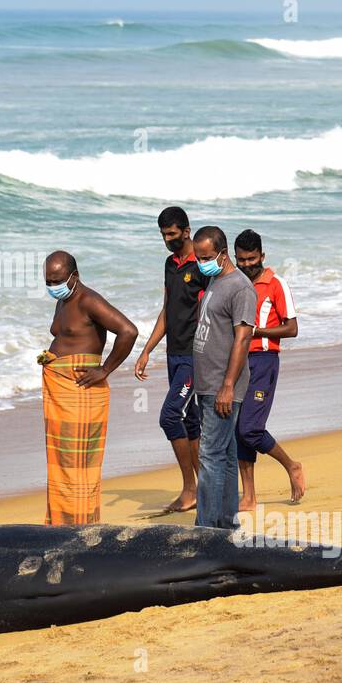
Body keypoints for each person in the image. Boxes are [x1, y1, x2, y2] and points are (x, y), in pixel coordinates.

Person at [39, 250, 137, 524]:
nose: (52, 286)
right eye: (48, 281)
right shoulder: (63, 300)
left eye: (57, 280)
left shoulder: (88, 300)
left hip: (80, 391)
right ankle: (61, 523)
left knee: (79, 465)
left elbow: (128, 331)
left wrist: (105, 369)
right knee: (62, 463)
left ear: (75, 276)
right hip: (62, 392)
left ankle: (80, 527)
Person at [134, 206, 206, 513]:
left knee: (169, 415)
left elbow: (214, 310)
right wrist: (147, 349)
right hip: (173, 354)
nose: (167, 240)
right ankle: (206, 486)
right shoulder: (170, 264)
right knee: (190, 422)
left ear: (186, 231)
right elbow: (167, 310)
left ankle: (191, 489)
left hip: (194, 356)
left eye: (172, 234)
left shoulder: (202, 266)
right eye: (163, 235)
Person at [233, 229, 307, 508]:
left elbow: (292, 328)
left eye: (252, 259)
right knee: (238, 428)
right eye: (242, 259)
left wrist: (256, 331)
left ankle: (291, 465)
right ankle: (249, 496)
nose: (247, 265)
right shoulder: (234, 283)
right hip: (236, 361)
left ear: (262, 256)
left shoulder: (276, 284)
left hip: (263, 361)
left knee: (250, 429)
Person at [190, 227, 256, 529]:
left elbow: (243, 338)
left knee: (209, 456)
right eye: (199, 257)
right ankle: (227, 524)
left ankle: (206, 528)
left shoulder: (240, 288)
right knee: (226, 455)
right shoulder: (216, 279)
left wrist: (227, 385)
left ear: (223, 253)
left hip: (223, 385)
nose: (202, 262)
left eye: (206, 257)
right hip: (209, 383)